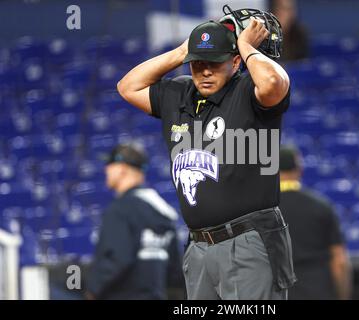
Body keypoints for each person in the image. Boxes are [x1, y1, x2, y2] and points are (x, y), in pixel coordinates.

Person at [117, 12, 296, 299]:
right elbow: (128, 87)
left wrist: (246, 46)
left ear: (235, 62)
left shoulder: (248, 90)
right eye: (198, 64)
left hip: (248, 242)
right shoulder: (179, 93)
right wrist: (182, 52)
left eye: (214, 63)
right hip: (198, 246)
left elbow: (274, 82)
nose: (205, 72)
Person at [85, 144, 182, 300]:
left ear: (122, 168)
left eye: (109, 165)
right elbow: (175, 270)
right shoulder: (164, 211)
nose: (106, 170)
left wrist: (93, 289)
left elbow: (117, 259)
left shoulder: (120, 209)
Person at [278, 146, 352, 299]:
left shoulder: (260, 210)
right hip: (318, 290)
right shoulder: (321, 206)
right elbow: (340, 261)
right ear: (299, 170)